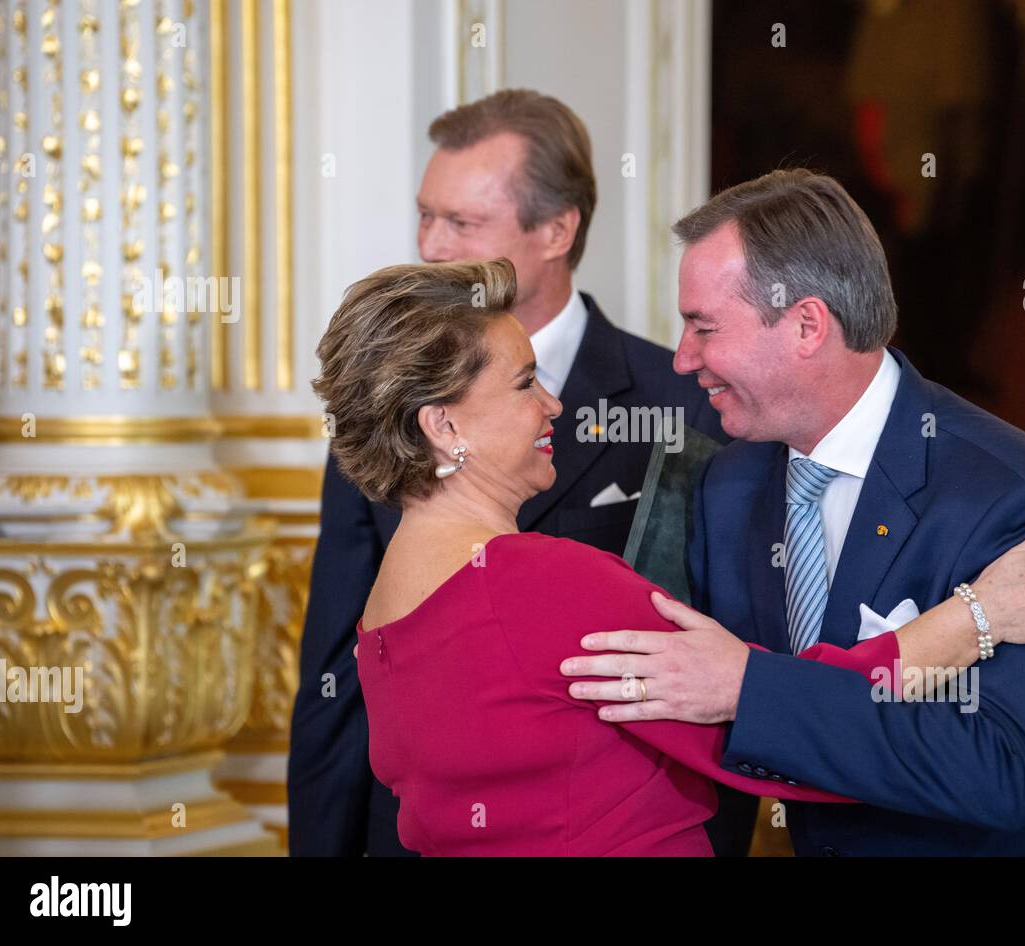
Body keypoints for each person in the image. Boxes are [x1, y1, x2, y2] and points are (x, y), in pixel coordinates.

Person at [316, 257, 1025, 856]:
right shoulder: (538, 583)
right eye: (525, 384)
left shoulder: (383, 614)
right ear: (444, 426)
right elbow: (772, 723)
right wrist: (976, 618)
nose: (553, 404)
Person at [560, 169, 1025, 856]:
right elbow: (714, 742)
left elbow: (997, 773)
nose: (683, 359)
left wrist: (748, 687)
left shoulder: (1005, 493)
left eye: (703, 328)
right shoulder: (727, 486)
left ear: (806, 325)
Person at [286, 90, 725, 856]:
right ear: (438, 426)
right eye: (426, 216)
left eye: (462, 222)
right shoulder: (390, 397)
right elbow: (335, 670)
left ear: (557, 230)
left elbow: (725, 672)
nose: (433, 244)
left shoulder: (687, 401)